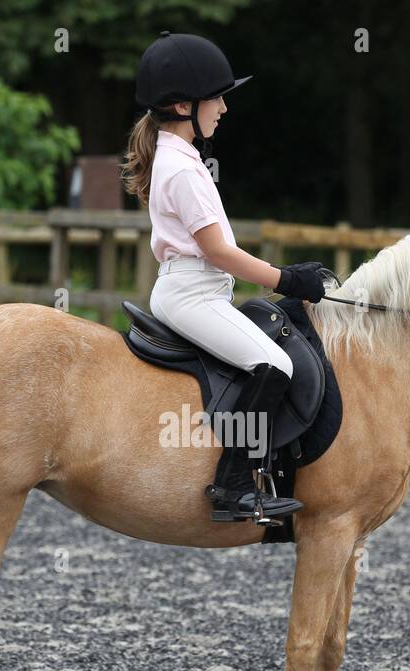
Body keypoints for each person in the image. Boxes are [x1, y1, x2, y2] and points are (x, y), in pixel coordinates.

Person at [121, 31, 328, 523]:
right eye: (216, 97)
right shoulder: (183, 169)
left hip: (196, 289)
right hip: (191, 293)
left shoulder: (181, 158)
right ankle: (233, 486)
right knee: (274, 364)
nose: (223, 108)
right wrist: (286, 280)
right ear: (180, 105)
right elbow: (218, 250)